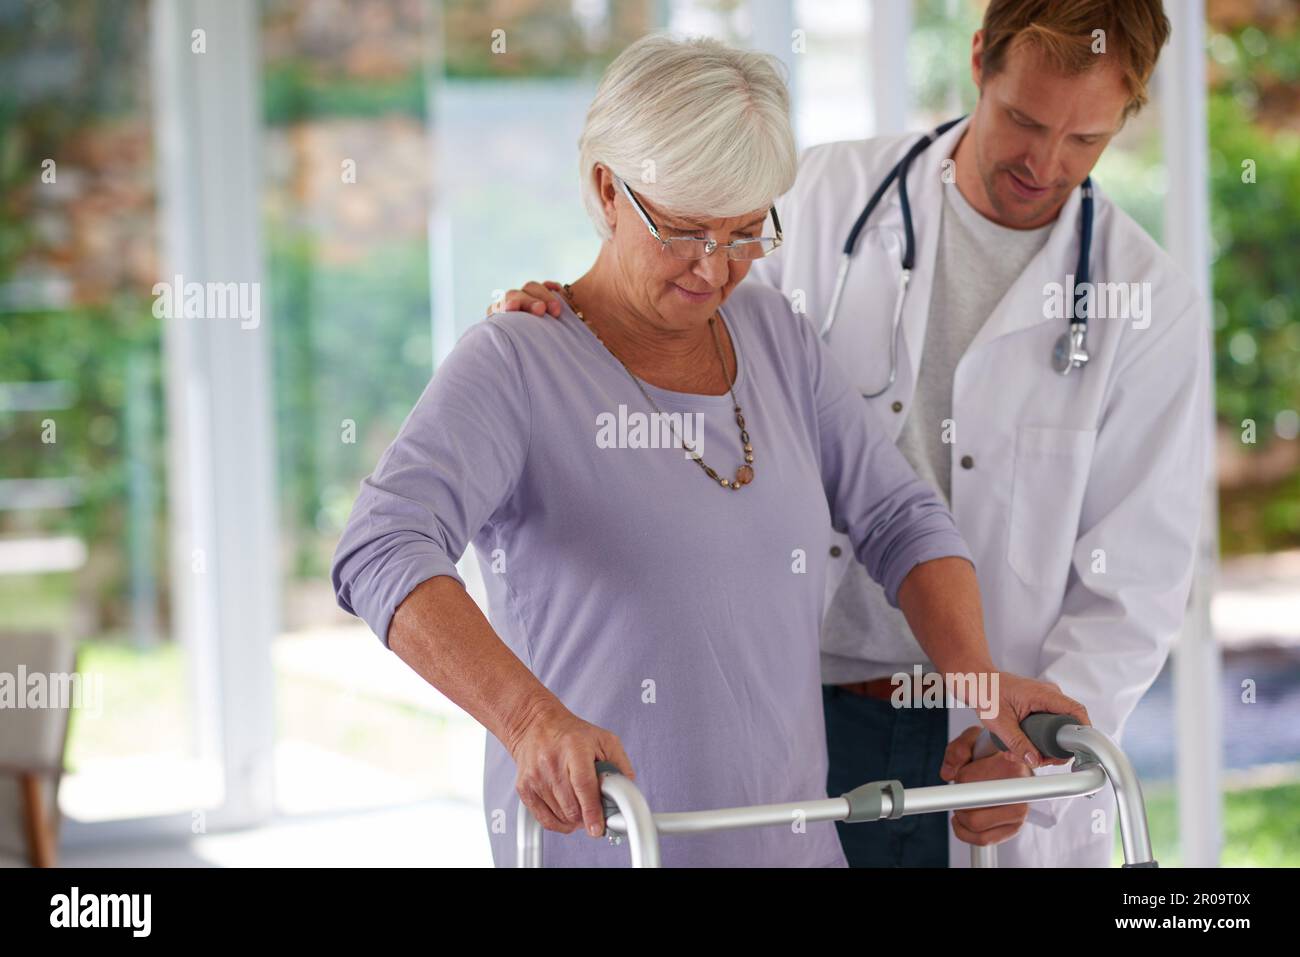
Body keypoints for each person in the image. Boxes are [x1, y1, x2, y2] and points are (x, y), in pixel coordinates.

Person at [334, 32, 1086, 868]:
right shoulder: (516, 361)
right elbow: (380, 546)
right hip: (617, 847)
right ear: (606, 190)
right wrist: (527, 719)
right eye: (687, 230)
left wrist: (978, 679)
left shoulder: (773, 336)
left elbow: (899, 516)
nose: (715, 269)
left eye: (743, 233)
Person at [492, 0, 1209, 868]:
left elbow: (1134, 582)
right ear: (980, 59)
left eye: (1084, 140)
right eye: (1023, 120)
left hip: (979, 727)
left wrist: (1035, 745)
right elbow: (679, 279)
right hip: (799, 703)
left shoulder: (1147, 305)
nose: (1043, 162)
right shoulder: (824, 197)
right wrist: (571, 316)